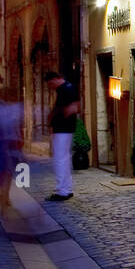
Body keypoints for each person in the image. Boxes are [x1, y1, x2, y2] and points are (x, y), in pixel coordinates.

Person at [45, 70, 79, 201]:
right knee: (65, 158)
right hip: (67, 128)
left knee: (60, 159)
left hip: (62, 128)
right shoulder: (69, 88)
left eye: (50, 84)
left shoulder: (64, 90)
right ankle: (67, 188)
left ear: (54, 80)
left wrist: (53, 116)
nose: (50, 87)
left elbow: (70, 108)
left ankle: (62, 191)